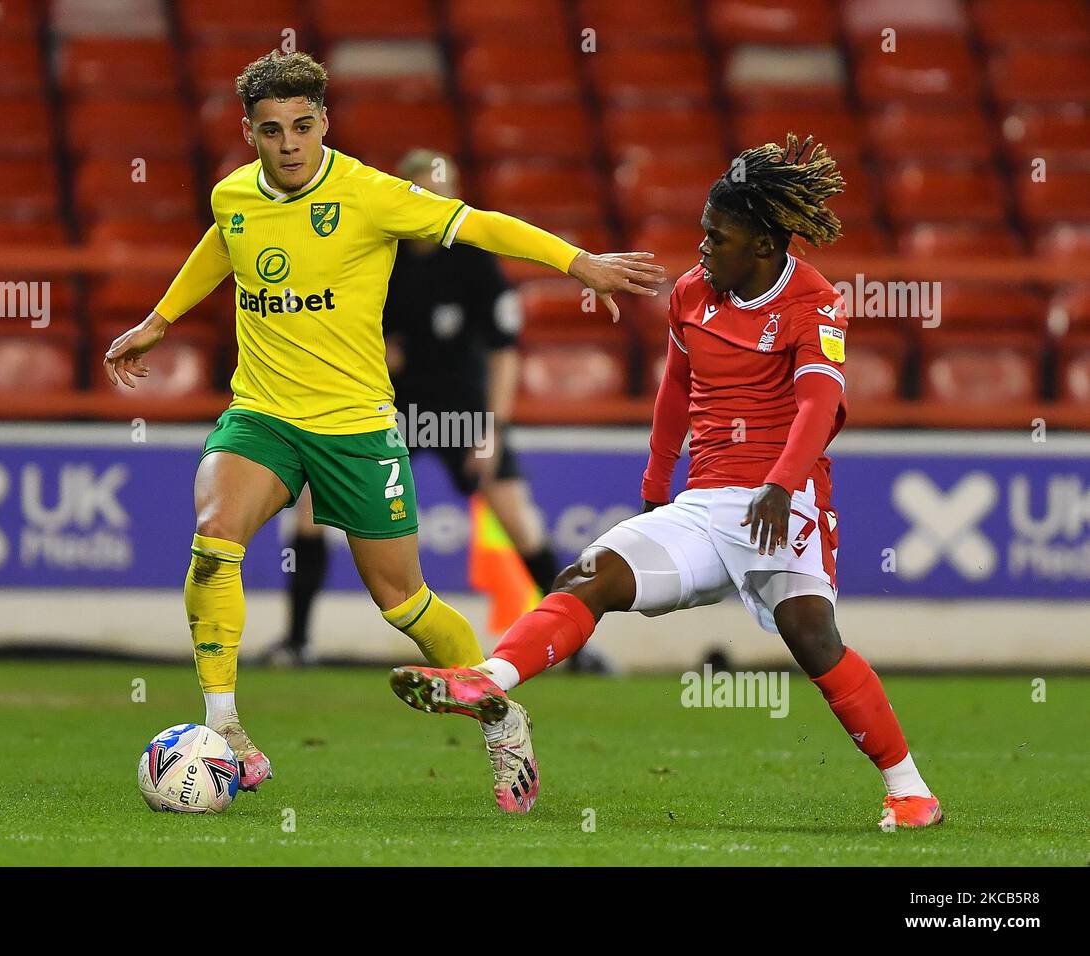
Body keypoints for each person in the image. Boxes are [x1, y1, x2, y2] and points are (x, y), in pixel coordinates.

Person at [102, 51, 663, 798]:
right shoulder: (233, 195)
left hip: (357, 426)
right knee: (214, 537)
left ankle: (501, 718)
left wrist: (576, 261)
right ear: (250, 133)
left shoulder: (371, 194)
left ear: (324, 122)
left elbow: (479, 224)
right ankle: (228, 729)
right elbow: (224, 242)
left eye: (303, 126)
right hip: (263, 413)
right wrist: (158, 319)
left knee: (403, 601)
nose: (290, 144)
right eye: (272, 131)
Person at [387, 135, 943, 829]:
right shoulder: (690, 294)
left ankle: (910, 789)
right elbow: (676, 393)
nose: (703, 248)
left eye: (719, 237)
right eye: (702, 233)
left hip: (783, 500)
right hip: (704, 505)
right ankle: (486, 680)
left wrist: (779, 482)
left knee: (810, 634)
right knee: (587, 574)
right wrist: (655, 488)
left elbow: (819, 404)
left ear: (765, 247)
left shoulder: (816, 302)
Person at [266, 148, 612, 674]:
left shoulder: (472, 258)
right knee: (312, 509)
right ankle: (296, 642)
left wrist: (491, 430)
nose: (436, 198)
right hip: (387, 409)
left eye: (441, 187)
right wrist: (377, 346)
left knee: (520, 521)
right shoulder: (379, 254)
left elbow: (503, 354)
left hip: (461, 413)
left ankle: (577, 651)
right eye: (424, 188)